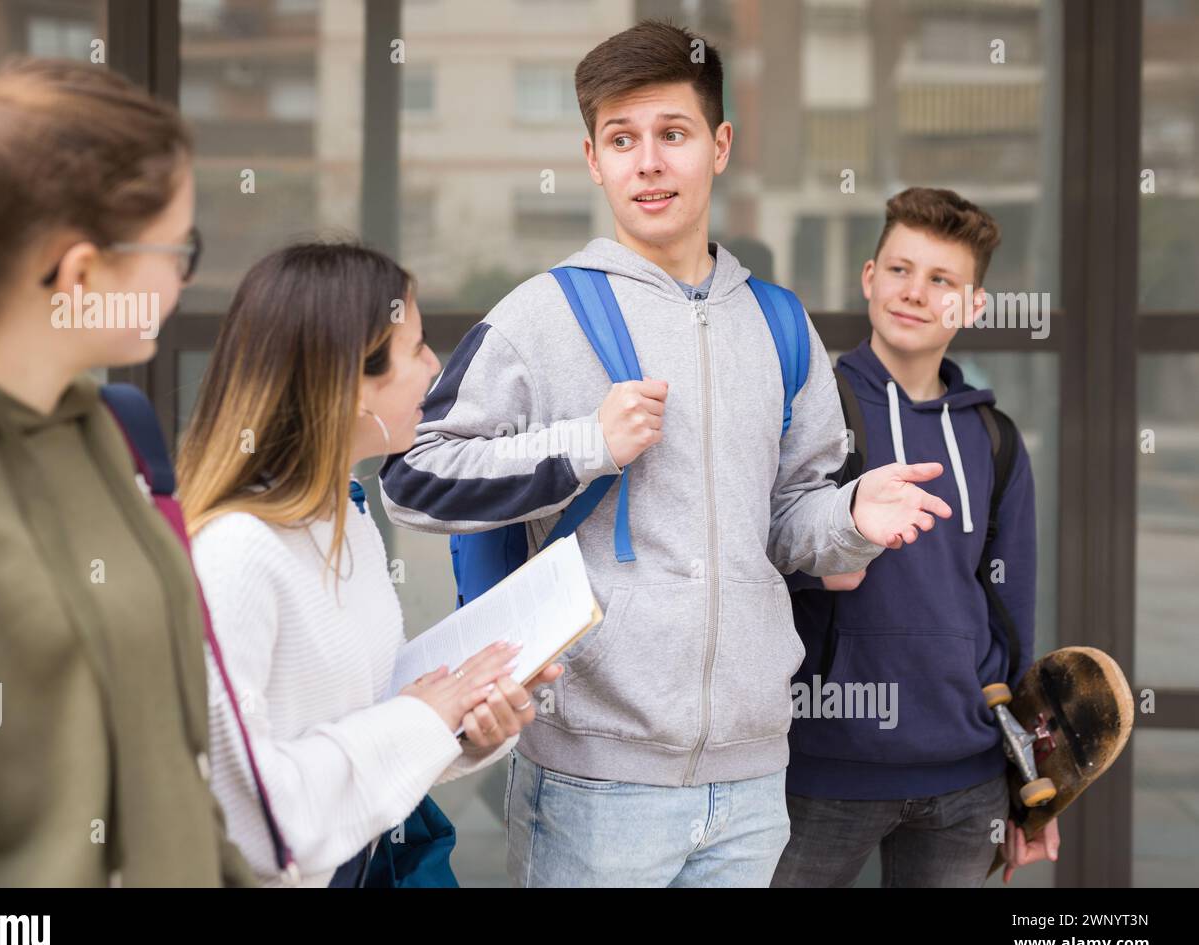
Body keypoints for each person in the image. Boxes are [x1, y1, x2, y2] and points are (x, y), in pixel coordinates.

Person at [379, 21, 952, 887]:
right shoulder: (541, 315)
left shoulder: (780, 323)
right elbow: (413, 480)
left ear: (719, 146)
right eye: (622, 139)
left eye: (672, 135)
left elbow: (791, 526)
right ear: (592, 158)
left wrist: (851, 518)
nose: (648, 161)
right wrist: (584, 446)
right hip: (593, 785)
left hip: (754, 781)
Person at [0, 59, 252, 886]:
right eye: (179, 249)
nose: (185, 279)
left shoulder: (93, 428)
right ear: (82, 273)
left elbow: (171, 770)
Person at [177, 241, 562, 887]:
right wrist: (425, 719)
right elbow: (250, 823)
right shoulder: (235, 556)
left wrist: (463, 728)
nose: (436, 368)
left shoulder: (346, 520)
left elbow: (369, 733)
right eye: (415, 349)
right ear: (348, 383)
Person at [772, 187, 1056, 888]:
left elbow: (1010, 615)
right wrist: (825, 562)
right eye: (899, 270)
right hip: (822, 769)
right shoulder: (809, 413)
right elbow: (760, 553)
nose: (915, 293)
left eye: (942, 280)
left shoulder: (994, 439)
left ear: (973, 306)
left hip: (966, 782)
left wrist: (1029, 787)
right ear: (869, 279)